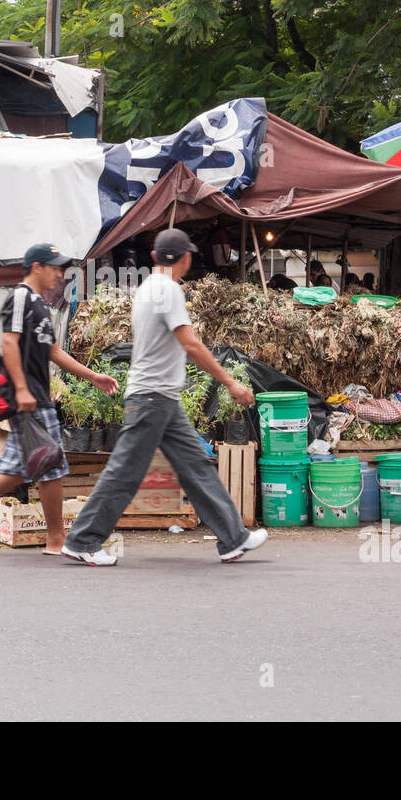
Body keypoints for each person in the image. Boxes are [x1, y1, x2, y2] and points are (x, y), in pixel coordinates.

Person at [62, 228, 267, 565]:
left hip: (161, 398)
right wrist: (230, 382)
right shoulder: (168, 290)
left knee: (196, 467)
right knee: (125, 472)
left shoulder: (146, 287)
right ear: (185, 258)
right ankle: (83, 540)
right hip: (152, 398)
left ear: (155, 257)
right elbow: (190, 343)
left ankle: (233, 538)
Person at [0, 243, 119, 554]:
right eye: (55, 267)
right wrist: (20, 389)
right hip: (29, 398)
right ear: (37, 267)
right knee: (50, 464)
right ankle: (56, 538)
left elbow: (53, 351)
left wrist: (93, 377)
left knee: (24, 467)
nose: (60, 274)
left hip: (35, 398)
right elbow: (9, 342)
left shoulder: (39, 304)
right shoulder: (20, 298)